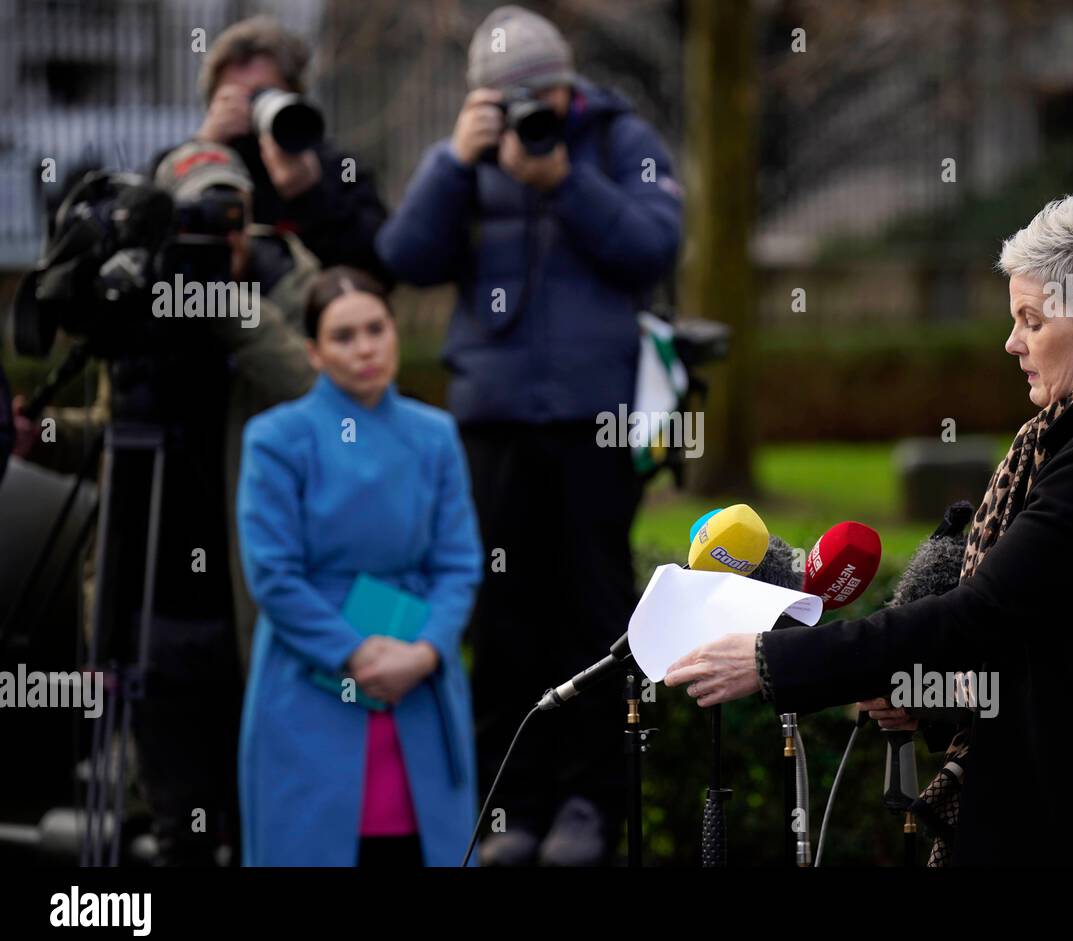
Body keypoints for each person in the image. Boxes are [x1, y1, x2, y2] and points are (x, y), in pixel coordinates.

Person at [665, 195, 1073, 867]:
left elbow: (981, 616)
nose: (1011, 343)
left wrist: (770, 661)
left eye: (1032, 320)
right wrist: (923, 698)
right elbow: (1044, 653)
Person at [376, 5, 682, 865]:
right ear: (481, 99)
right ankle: (510, 810)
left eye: (540, 92)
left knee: (592, 611)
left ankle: (590, 805)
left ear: (567, 79)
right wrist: (450, 161)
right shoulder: (464, 160)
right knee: (503, 618)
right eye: (507, 98)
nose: (529, 110)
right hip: (493, 419)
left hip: (595, 418)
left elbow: (655, 243)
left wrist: (562, 182)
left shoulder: (622, 138)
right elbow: (403, 256)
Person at [10, 143, 318, 866]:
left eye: (229, 215)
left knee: (259, 821)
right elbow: (114, 435)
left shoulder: (289, 288)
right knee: (180, 829)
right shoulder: (142, 310)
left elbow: (310, 391)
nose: (219, 235)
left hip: (250, 609)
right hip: (149, 605)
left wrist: (223, 304)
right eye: (196, 219)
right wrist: (45, 434)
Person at [237, 267, 482, 866]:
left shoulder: (436, 434)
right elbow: (272, 573)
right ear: (313, 353)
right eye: (344, 336)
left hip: (419, 689)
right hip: (313, 681)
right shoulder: (275, 438)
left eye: (376, 328)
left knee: (422, 848)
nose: (366, 347)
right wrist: (357, 655)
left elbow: (460, 562)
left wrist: (424, 652)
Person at [157, 14, 389, 278]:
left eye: (264, 94)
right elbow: (148, 226)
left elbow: (380, 261)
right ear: (213, 103)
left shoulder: (336, 168)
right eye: (235, 96)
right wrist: (201, 151)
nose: (251, 107)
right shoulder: (179, 167)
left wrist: (312, 197)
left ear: (294, 95)